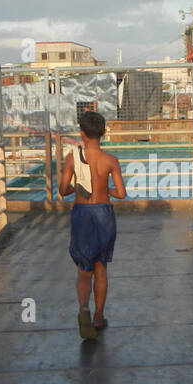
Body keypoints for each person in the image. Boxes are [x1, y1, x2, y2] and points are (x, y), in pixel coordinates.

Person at [58, 111, 125, 340]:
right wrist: (103, 189)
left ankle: (84, 309)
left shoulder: (72, 158)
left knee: (83, 270)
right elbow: (122, 193)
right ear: (104, 133)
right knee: (101, 267)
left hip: (82, 214)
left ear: (82, 133)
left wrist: (78, 186)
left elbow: (63, 189)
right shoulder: (111, 160)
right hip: (104, 213)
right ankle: (99, 317)